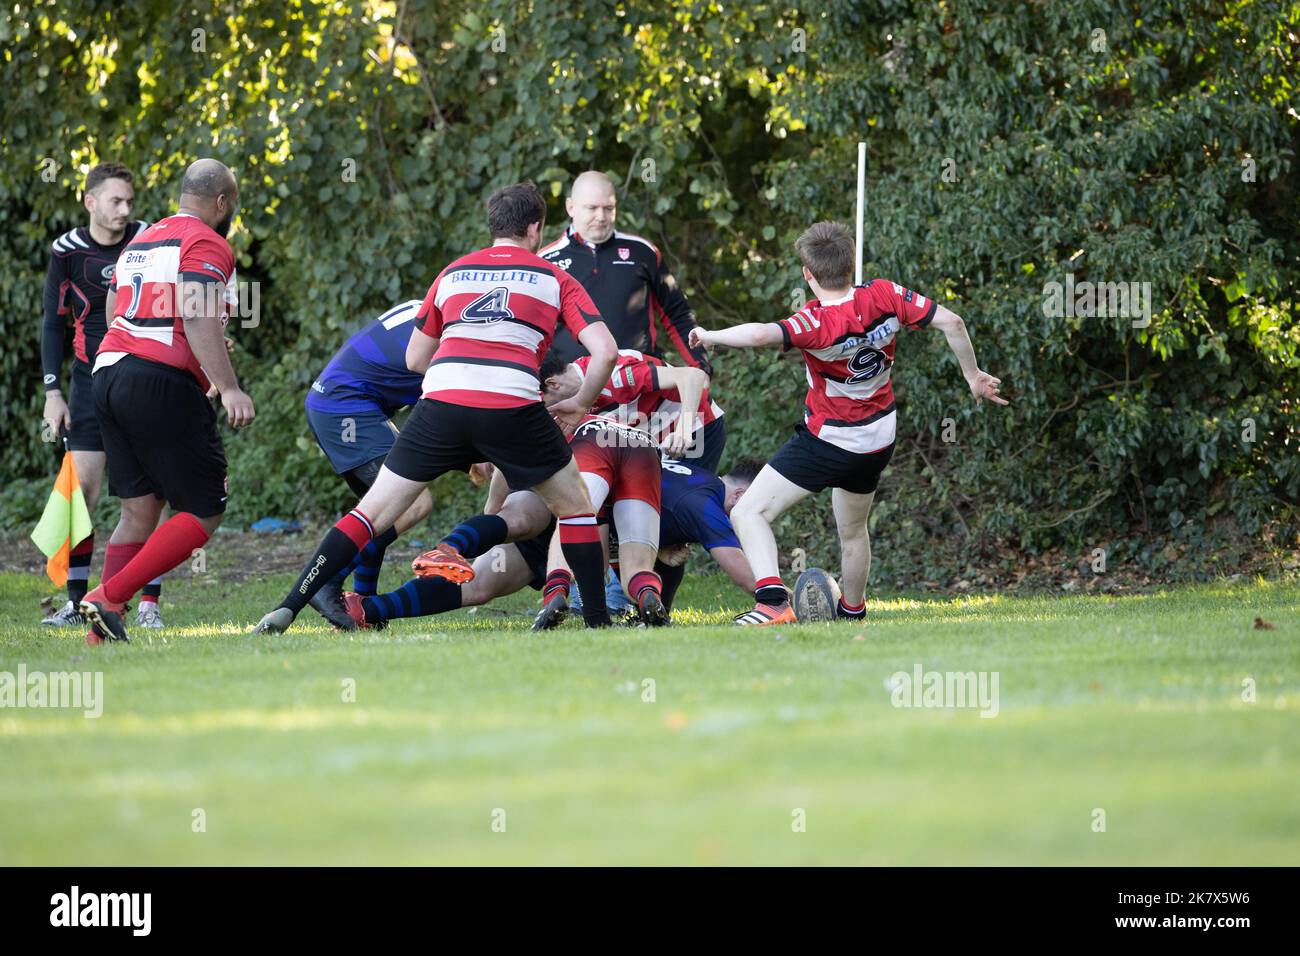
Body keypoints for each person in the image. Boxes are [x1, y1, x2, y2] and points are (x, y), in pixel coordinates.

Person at [253, 181, 620, 634]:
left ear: (492, 227)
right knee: (578, 508)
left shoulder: (453, 272)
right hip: (512, 404)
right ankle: (600, 623)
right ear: (536, 228)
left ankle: (287, 607)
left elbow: (414, 360)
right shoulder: (554, 276)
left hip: (440, 403)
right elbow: (605, 352)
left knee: (369, 514)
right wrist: (581, 402)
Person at [689, 221, 1009, 625]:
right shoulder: (885, 294)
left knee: (747, 513)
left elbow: (757, 336)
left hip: (830, 441)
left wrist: (711, 334)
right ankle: (853, 611)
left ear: (808, 274)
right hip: (878, 441)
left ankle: (772, 603)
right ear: (851, 263)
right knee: (854, 531)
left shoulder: (814, 322)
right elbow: (953, 322)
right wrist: (973, 375)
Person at [79, 159, 255, 643]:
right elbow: (196, 313)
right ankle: (108, 598)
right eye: (231, 204)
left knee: (138, 510)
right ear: (222, 203)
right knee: (205, 508)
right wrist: (230, 385)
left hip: (109, 373)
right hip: (158, 381)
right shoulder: (207, 242)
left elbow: (116, 309)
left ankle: (101, 631)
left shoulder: (144, 238)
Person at [340, 461, 763, 629]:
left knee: (481, 584)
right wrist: (776, 600)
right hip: (568, 515)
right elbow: (739, 567)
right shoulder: (705, 503)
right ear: (743, 497)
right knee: (523, 517)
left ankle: (367, 609)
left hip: (572, 518)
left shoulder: (690, 475)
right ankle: (451, 547)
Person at [39, 162, 170, 629]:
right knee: (82, 491)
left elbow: (172, 300)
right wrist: (53, 393)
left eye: (129, 201)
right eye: (115, 200)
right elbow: (53, 325)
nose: (124, 209)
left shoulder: (149, 238)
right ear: (90, 201)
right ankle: (77, 603)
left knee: (150, 493)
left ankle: (149, 604)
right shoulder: (67, 252)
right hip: (88, 383)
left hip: (140, 376)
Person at [302, 299, 435, 626]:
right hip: (347, 407)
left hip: (342, 404)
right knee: (414, 503)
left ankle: (363, 604)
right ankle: (328, 581)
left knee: (380, 511)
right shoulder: (453, 329)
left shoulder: (430, 308)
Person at [538, 171, 710, 372]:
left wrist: (701, 367)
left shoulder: (643, 251)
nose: (601, 217)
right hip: (572, 386)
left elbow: (677, 313)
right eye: (592, 208)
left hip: (639, 382)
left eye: (609, 208)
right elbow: (532, 331)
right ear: (570, 207)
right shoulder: (544, 261)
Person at [531, 414, 667, 630]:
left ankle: (555, 592)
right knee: (636, 567)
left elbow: (596, 559)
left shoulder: (551, 417)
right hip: (644, 446)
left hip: (593, 438)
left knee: (572, 517)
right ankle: (647, 593)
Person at [539, 347, 727, 473]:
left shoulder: (617, 374)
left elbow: (692, 376)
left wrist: (683, 432)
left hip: (698, 427)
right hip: (657, 440)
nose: (547, 410)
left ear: (553, 384)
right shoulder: (575, 389)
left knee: (683, 508)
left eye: (543, 403)